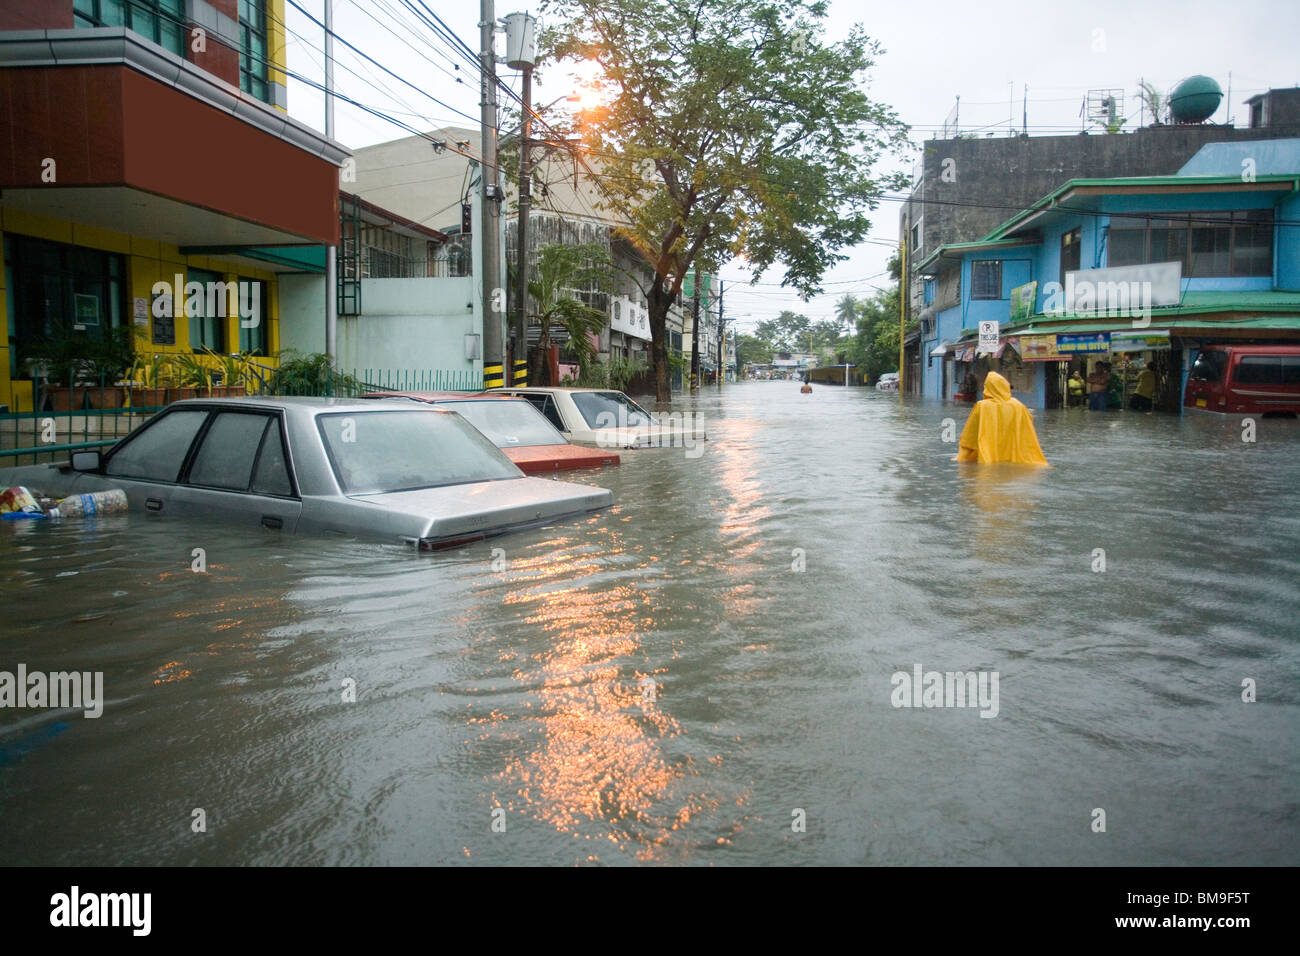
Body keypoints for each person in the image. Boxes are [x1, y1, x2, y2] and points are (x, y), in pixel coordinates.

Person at [955, 370, 1048, 465]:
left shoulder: (982, 406)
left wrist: (963, 459)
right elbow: (1028, 432)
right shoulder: (1018, 406)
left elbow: (969, 438)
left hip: (988, 461)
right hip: (1015, 459)